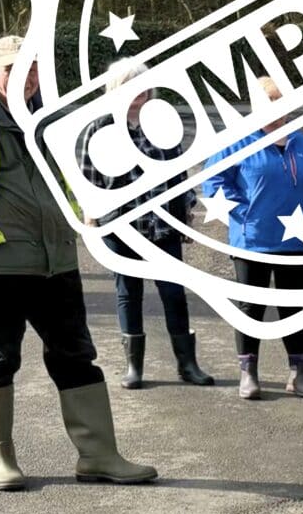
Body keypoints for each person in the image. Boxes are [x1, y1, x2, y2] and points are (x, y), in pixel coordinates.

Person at [0, 33, 157, 490]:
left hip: (57, 261)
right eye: (14, 70)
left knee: (77, 355)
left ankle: (98, 455)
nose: (26, 79)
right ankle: (1, 460)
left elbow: (75, 181)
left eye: (32, 70)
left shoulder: (50, 120)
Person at [77, 58, 214, 390]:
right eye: (128, 85)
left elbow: (179, 173)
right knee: (128, 294)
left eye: (141, 85)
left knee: (174, 294)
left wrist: (187, 212)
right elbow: (87, 179)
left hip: (163, 226)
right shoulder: (98, 129)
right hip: (122, 228)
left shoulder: (162, 122)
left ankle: (187, 365)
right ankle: (134, 367)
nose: (136, 92)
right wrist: (91, 216)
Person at [204, 76, 303, 400]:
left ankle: (298, 373)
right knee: (251, 307)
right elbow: (214, 181)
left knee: (294, 307)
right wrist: (244, 211)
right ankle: (248, 373)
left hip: (297, 241)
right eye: (268, 102)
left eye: (280, 101)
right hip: (254, 241)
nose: (275, 109)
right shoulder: (237, 143)